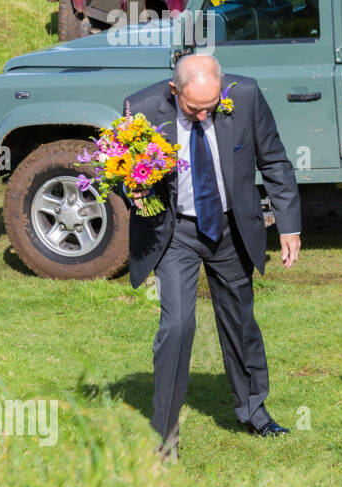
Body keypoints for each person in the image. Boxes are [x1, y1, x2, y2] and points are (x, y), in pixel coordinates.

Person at [124, 55, 302, 461]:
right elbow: (125, 171)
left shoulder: (248, 95)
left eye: (212, 105)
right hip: (175, 231)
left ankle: (253, 411)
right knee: (178, 324)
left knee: (240, 320)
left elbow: (274, 160)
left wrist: (289, 225)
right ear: (174, 91)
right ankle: (164, 435)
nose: (205, 114)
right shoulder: (143, 109)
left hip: (230, 227)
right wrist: (131, 191)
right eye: (194, 108)